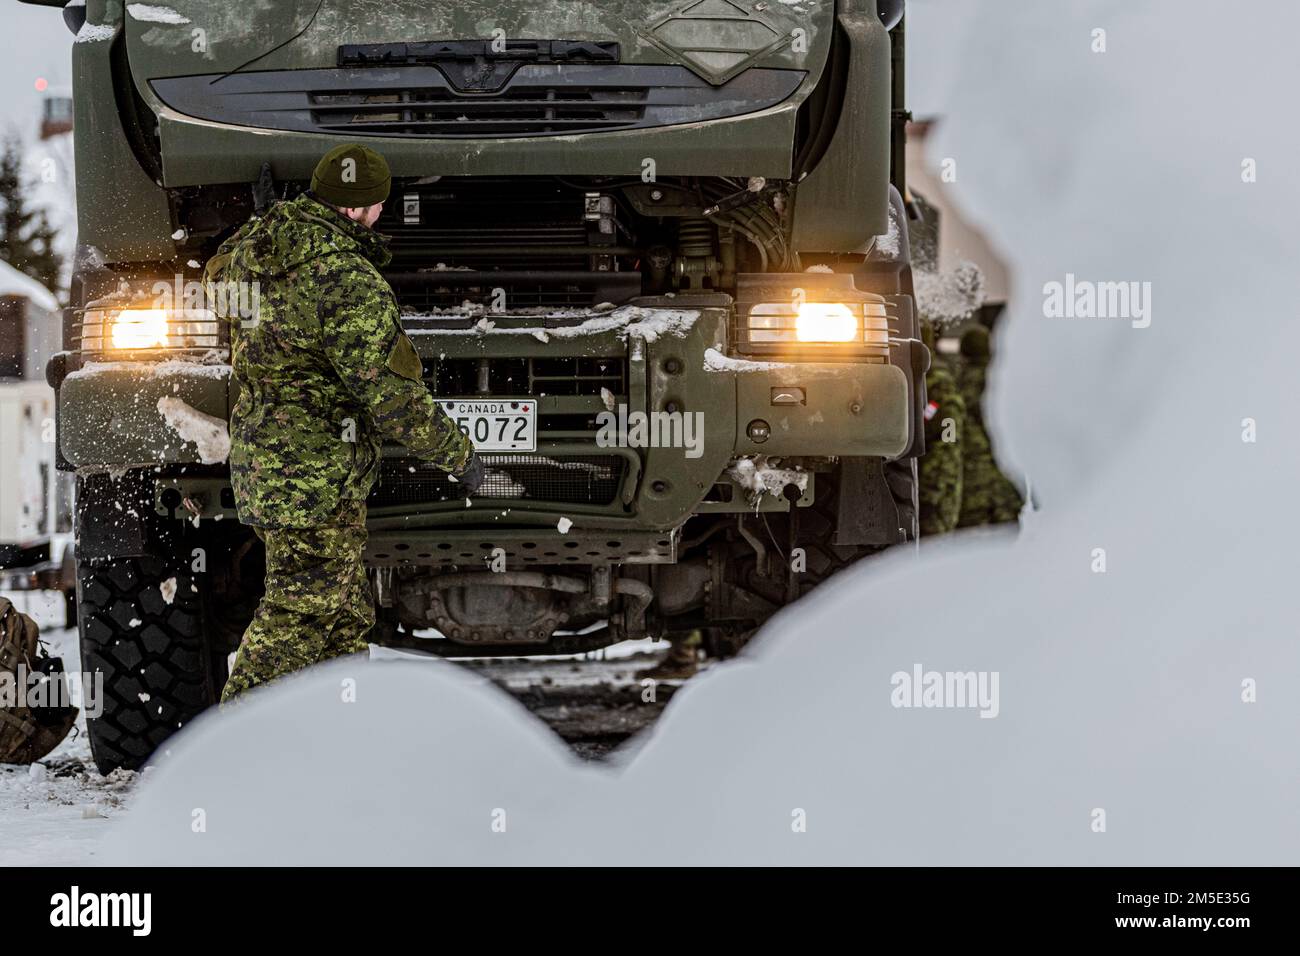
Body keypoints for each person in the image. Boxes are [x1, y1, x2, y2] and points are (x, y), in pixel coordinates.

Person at [206, 144, 482, 701]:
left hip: (267, 469)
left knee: (345, 618)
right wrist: (461, 458)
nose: (381, 212)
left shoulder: (255, 255)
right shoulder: (346, 280)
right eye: (378, 203)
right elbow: (390, 397)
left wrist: (264, 225)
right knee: (297, 616)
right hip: (314, 481)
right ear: (358, 210)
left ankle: (335, 745)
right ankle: (230, 750)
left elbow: (217, 282)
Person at [955, 325, 1024, 528]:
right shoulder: (1003, 381)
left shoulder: (958, 383)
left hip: (973, 471)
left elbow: (947, 424)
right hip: (1006, 469)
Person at [917, 319, 965, 536]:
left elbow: (948, 442)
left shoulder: (937, 383)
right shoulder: (925, 379)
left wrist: (931, 491)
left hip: (934, 493)